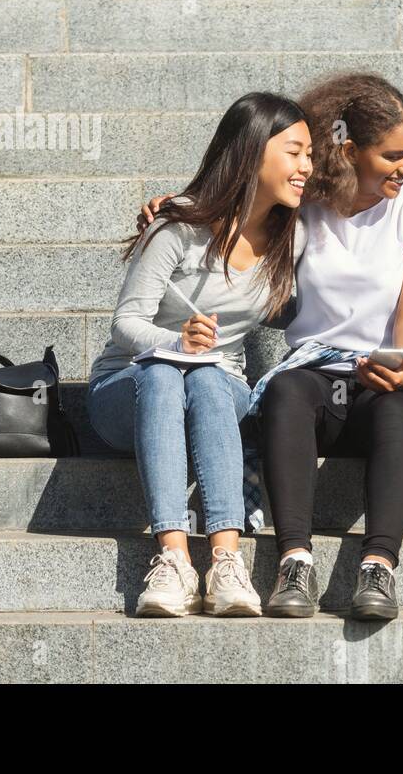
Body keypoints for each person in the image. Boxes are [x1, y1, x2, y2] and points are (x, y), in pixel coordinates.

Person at [140, 74, 403, 622]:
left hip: (388, 370)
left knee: (397, 408)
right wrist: (173, 209)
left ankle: (379, 566)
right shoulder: (300, 204)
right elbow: (232, 209)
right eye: (394, 154)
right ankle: (294, 560)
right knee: (287, 390)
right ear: (347, 151)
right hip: (314, 370)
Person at [89, 92, 311, 618]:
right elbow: (125, 325)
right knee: (166, 375)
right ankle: (172, 561)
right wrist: (175, 344)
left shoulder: (292, 237)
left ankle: (226, 562)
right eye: (295, 152)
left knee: (210, 379)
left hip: (217, 387)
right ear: (252, 152)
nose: (307, 166)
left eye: (310, 154)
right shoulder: (177, 229)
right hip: (129, 388)